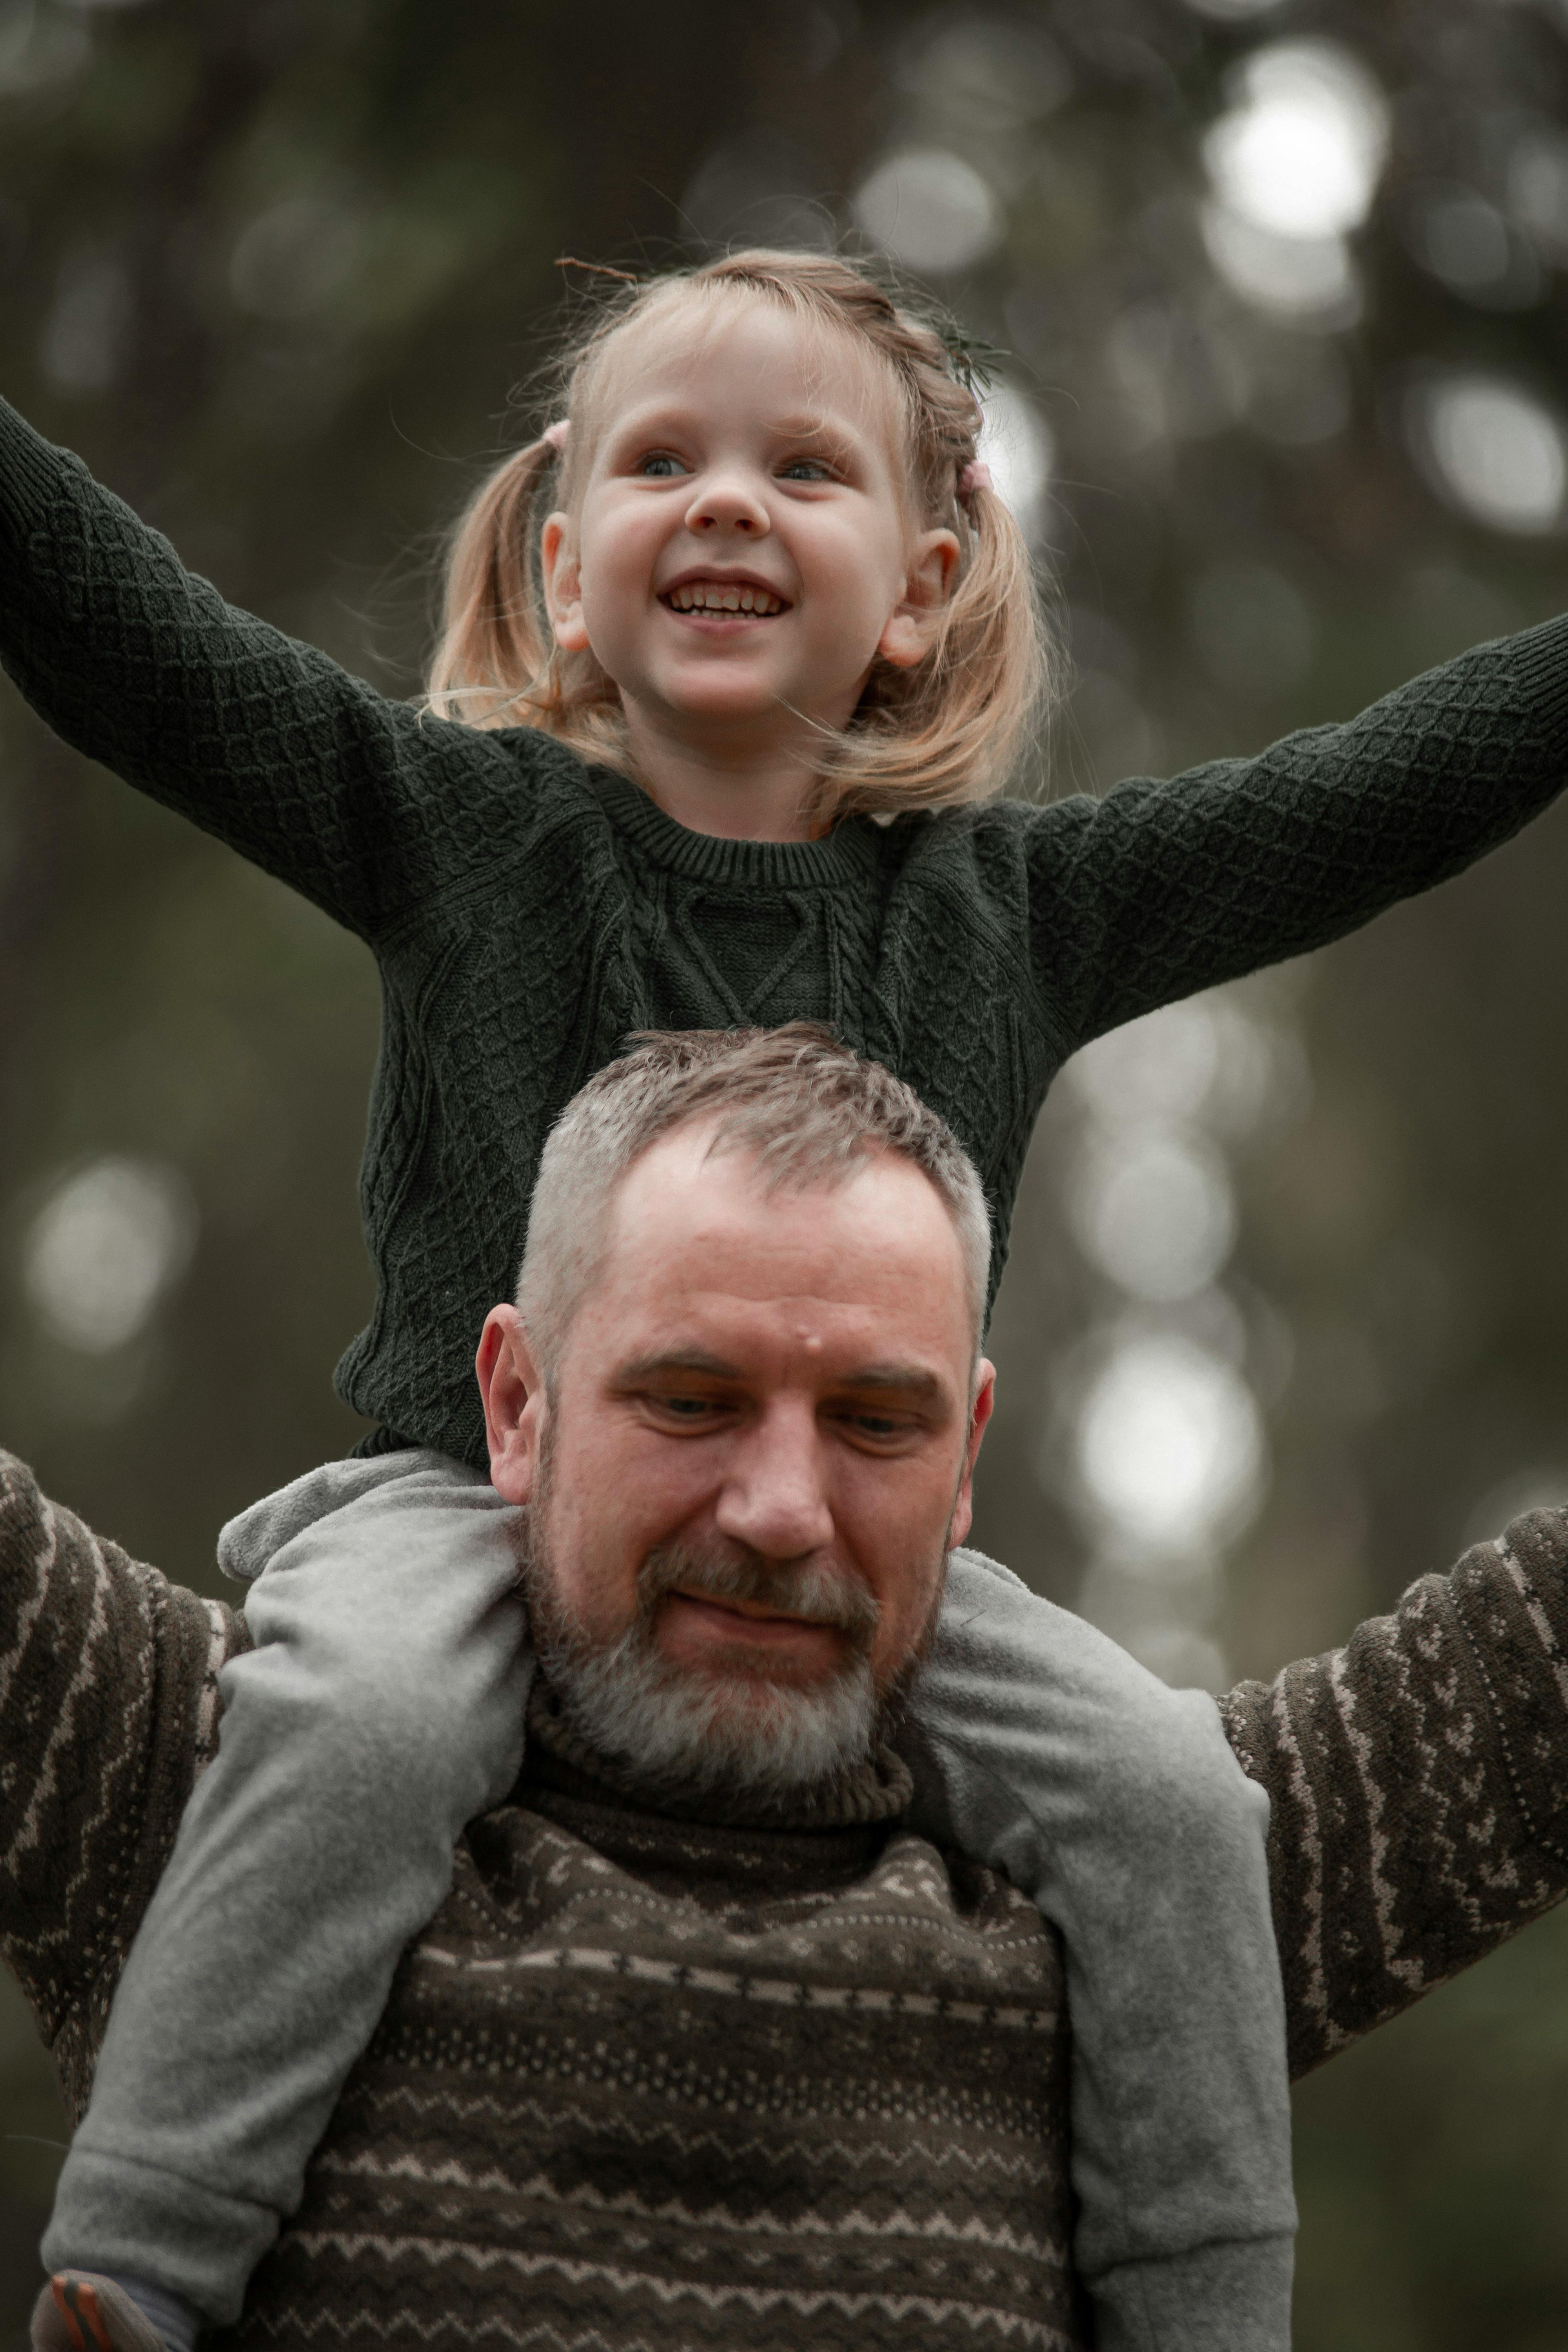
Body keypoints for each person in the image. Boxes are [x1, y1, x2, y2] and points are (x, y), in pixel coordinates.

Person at [3, 242, 1567, 2350]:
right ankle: (143, 2265)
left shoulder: (1012, 917)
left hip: (881, 1588)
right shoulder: (464, 839)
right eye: (664, 460)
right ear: (569, 567)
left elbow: (1363, 806)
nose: (726, 499)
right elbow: (140, 651)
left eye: (802, 469)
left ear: (923, 585)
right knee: (358, 1731)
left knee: (1184, 1807)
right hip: (451, 1521)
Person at [9, 1030, 1568, 2352]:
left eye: (877, 1424)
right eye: (690, 1400)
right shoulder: (198, 1776)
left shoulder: (1157, 1911)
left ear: (967, 1457)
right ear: (512, 1406)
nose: (779, 1509)